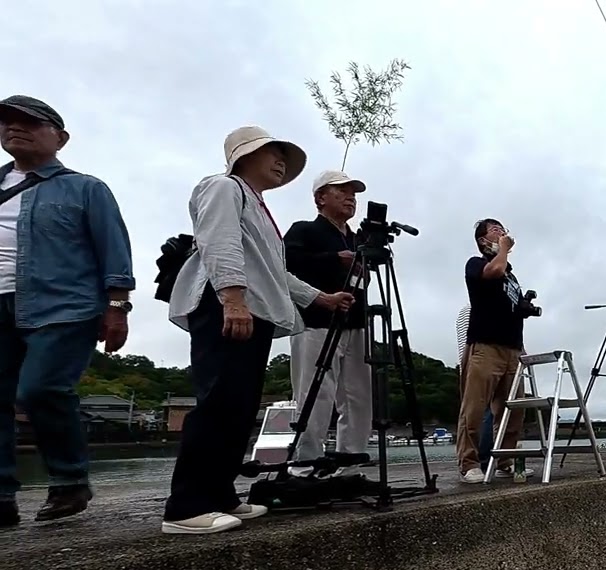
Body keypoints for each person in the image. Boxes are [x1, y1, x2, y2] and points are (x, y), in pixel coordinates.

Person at [162, 126, 353, 535]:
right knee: (218, 398)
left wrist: (319, 297)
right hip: (226, 303)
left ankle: (220, 493)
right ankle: (185, 506)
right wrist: (233, 299)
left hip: (254, 308)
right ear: (243, 155)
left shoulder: (258, 204)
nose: (281, 161)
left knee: (240, 403)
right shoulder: (223, 186)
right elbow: (220, 241)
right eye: (272, 152)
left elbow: (272, 270)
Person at [0, 95, 135, 527]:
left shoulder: (86, 188)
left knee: (40, 389)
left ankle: (69, 479)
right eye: (7, 122)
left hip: (63, 306)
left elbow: (114, 250)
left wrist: (116, 308)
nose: (14, 128)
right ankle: (2, 496)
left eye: (29, 122)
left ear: (60, 137)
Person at [282, 170, 373, 476]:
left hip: (356, 321)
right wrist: (336, 258)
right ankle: (305, 464)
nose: (351, 198)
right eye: (341, 191)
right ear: (320, 197)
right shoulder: (304, 230)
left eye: (354, 194)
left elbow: (365, 279)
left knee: (359, 394)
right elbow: (286, 265)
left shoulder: (358, 238)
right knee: (314, 391)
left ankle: (351, 462)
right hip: (315, 320)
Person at [456, 219, 526, 483]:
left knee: (513, 409)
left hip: (512, 348)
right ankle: (469, 462)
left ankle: (505, 460)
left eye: (503, 229)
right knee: (475, 407)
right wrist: (504, 250)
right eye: (495, 230)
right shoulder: (476, 263)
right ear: (483, 240)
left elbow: (514, 304)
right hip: (485, 346)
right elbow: (493, 271)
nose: (503, 233)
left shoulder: (511, 274)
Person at [455, 304, 494, 467]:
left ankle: (478, 458)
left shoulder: (464, 311)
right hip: (482, 363)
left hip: (469, 363)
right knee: (487, 413)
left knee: (476, 412)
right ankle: (484, 459)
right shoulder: (480, 309)